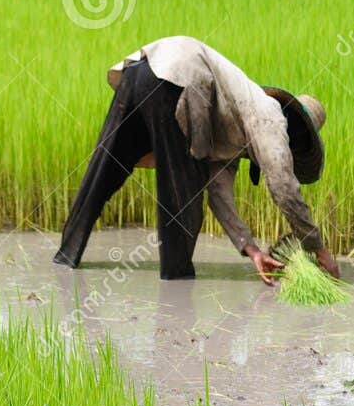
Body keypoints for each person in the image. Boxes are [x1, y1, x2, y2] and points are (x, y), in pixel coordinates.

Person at [55, 36, 339, 284]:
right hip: (177, 81)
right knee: (183, 198)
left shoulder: (233, 127)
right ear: (292, 131)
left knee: (103, 172)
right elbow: (284, 187)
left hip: (138, 73)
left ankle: (65, 259)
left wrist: (251, 249)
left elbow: (218, 193)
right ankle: (175, 287)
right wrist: (317, 248)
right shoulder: (270, 118)